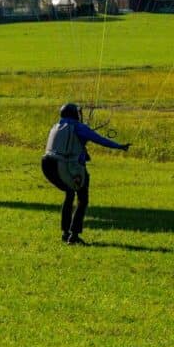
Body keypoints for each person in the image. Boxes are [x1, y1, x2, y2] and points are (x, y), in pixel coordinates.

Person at [41, 102, 127, 245]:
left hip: (47, 164)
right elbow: (99, 140)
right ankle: (74, 235)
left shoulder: (56, 126)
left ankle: (65, 232)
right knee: (82, 198)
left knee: (69, 194)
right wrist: (119, 146)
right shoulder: (79, 127)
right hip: (65, 165)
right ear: (75, 114)